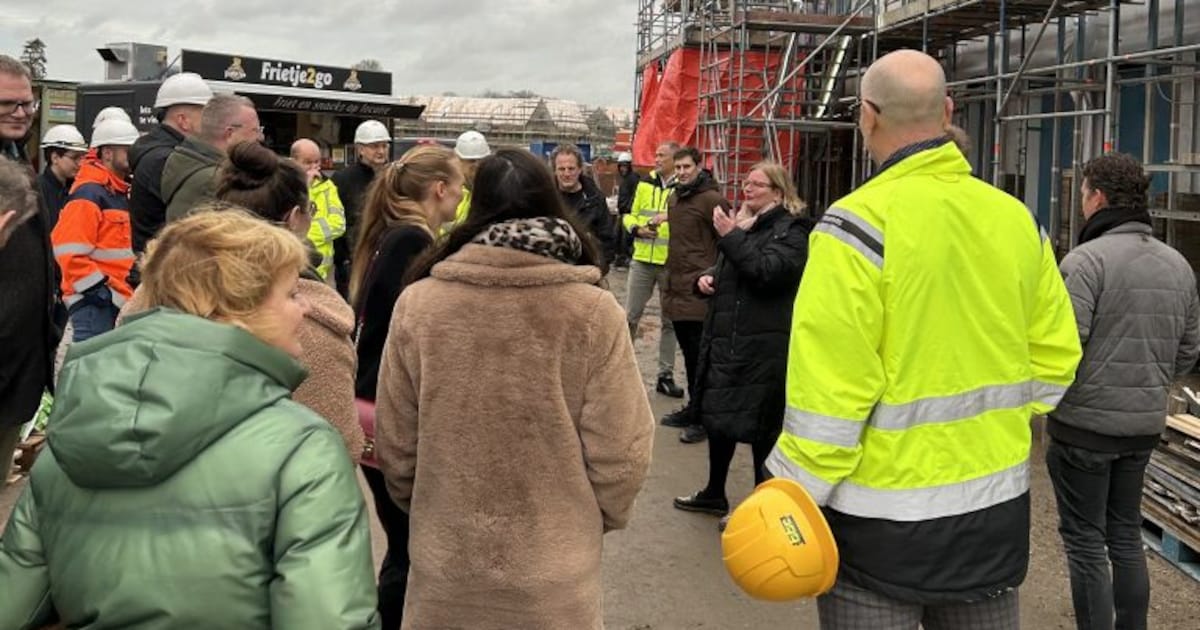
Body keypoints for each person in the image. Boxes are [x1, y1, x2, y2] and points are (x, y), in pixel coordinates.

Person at [765, 49, 1082, 628]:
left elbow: (831, 395)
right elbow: (1058, 358)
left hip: (876, 531)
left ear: (867, 116)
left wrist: (791, 491)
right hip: (993, 519)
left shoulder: (854, 228)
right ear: (948, 111)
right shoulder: (1016, 219)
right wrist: (993, 419)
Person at [0, 210, 380, 630]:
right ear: (236, 308)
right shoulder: (303, 449)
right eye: (291, 294)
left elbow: (10, 605)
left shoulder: (72, 436)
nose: (305, 308)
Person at [375, 149, 653, 629]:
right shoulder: (593, 312)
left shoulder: (419, 304)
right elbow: (623, 451)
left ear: (475, 207)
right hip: (556, 577)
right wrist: (585, 523)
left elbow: (396, 444)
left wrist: (430, 508)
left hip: (447, 566)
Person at [122, 141, 365, 466]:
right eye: (311, 211)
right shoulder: (311, 327)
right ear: (294, 218)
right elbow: (335, 452)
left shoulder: (151, 297)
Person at [1047, 153, 1200, 630]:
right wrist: (1147, 383)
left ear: (1098, 197)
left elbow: (1063, 347)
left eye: (1083, 193)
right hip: (1142, 427)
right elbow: (1188, 351)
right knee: (1126, 535)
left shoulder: (1085, 261)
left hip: (1084, 428)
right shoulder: (1177, 265)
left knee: (1086, 541)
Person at [350, 145, 463, 630]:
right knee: (409, 546)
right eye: (458, 186)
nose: (462, 195)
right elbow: (415, 331)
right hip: (385, 406)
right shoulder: (412, 241)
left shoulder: (396, 234)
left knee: (405, 542)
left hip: (370, 401)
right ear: (439, 189)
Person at [672, 161, 812, 522]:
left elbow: (767, 272)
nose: (747, 189)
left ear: (779, 192)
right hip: (727, 339)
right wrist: (706, 279)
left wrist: (731, 236)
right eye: (746, 183)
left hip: (763, 346)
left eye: (757, 185)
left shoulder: (792, 230)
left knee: (761, 428)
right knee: (720, 420)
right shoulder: (745, 225)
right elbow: (731, 267)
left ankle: (760, 508)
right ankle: (714, 493)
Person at [51, 117, 140, 342]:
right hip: (96, 304)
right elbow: (68, 253)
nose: (134, 155)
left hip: (112, 301)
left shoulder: (116, 192)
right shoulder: (90, 194)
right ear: (107, 153)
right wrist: (101, 293)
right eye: (127, 150)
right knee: (92, 361)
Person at [662, 146, 728, 444]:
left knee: (702, 358)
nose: (682, 172)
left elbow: (727, 242)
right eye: (678, 168)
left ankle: (703, 418)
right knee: (689, 355)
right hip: (677, 287)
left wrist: (712, 277)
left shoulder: (712, 200)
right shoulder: (675, 198)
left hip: (700, 290)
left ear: (699, 166)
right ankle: (694, 408)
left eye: (687, 167)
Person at [624, 141, 684, 400]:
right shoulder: (644, 183)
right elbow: (629, 214)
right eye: (656, 154)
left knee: (670, 322)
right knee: (630, 317)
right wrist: (636, 229)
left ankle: (665, 376)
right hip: (642, 260)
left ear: (674, 159)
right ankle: (620, 371)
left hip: (670, 262)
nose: (656, 159)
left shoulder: (684, 187)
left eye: (662, 155)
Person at [129, 72, 213, 254]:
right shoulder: (166, 159)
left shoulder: (158, 153)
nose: (210, 123)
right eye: (205, 115)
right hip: (163, 263)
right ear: (183, 120)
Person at [162, 94, 262, 221]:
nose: (260, 137)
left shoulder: (189, 162)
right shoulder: (214, 181)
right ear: (230, 134)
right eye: (255, 130)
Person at [332, 119, 392, 296]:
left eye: (384, 146)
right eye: (375, 146)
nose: (381, 151)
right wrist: (342, 259)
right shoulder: (343, 179)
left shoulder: (393, 177)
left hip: (384, 258)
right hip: (352, 262)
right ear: (360, 149)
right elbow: (337, 221)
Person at [552, 143, 616, 272]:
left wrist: (600, 268)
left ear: (580, 169)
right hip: (553, 270)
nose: (567, 173)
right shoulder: (545, 197)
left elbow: (607, 237)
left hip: (586, 270)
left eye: (571, 168)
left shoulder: (595, 199)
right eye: (561, 169)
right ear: (554, 170)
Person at [292, 138, 346, 283]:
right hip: (292, 266)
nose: (314, 167)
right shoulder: (285, 184)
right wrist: (306, 187)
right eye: (308, 162)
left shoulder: (328, 187)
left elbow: (338, 224)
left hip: (323, 271)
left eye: (317, 162)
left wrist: (306, 235)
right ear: (294, 162)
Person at [37, 124, 87, 225]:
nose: (80, 163)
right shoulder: (37, 190)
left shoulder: (77, 189)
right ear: (55, 158)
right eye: (74, 157)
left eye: (82, 158)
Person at [448, 129, 490, 230]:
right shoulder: (449, 192)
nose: (477, 166)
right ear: (458, 161)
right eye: (472, 161)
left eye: (481, 161)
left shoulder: (494, 192)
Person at [614, 151, 639, 267]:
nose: (623, 169)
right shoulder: (625, 179)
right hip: (622, 212)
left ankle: (625, 258)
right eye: (621, 166)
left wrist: (628, 209)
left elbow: (635, 196)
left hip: (628, 214)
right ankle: (620, 258)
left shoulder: (633, 178)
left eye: (625, 166)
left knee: (626, 239)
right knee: (618, 237)